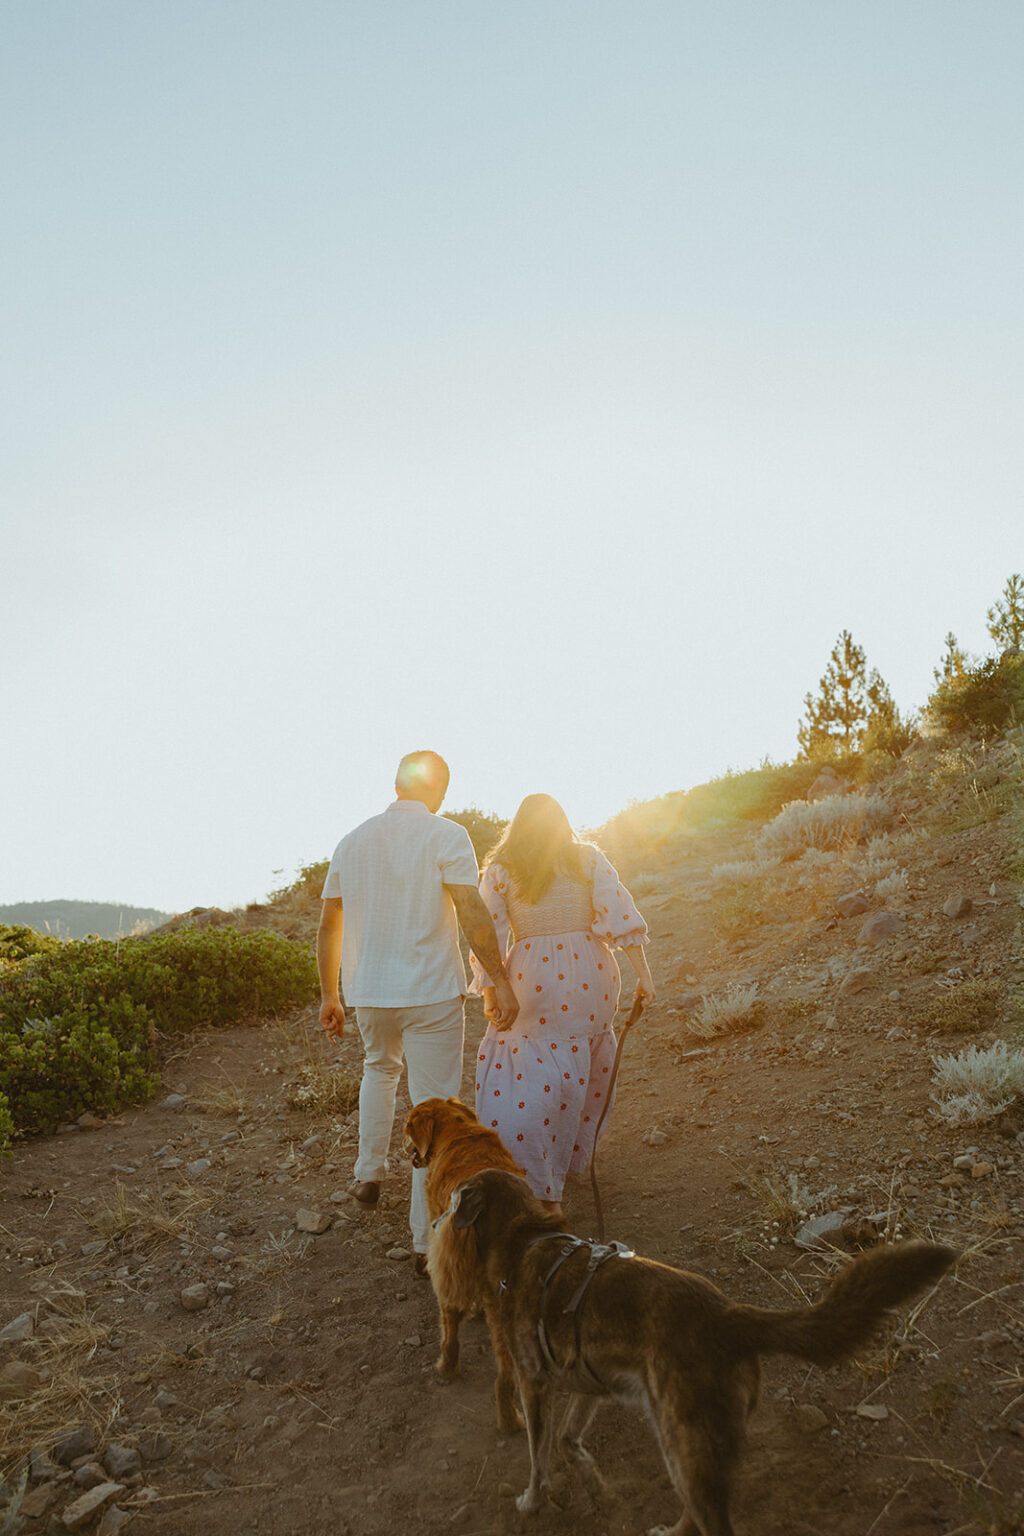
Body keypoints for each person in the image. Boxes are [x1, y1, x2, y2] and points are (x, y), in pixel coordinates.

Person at [317, 750, 519, 1265]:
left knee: (378, 1070)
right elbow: (471, 910)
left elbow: (328, 927)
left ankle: (367, 1172)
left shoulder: (352, 840)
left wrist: (329, 995)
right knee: (435, 1110)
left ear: (397, 783)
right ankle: (423, 1240)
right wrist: (499, 979)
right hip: (429, 989)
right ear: (441, 791)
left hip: (369, 991)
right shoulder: (447, 835)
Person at [469, 793, 655, 1216]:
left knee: (528, 1078)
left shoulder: (501, 871)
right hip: (592, 975)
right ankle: (562, 1164)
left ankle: (536, 1184)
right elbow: (620, 915)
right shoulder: (587, 859)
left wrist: (491, 989)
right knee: (580, 1067)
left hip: (531, 979)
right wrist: (645, 976)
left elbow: (489, 936)